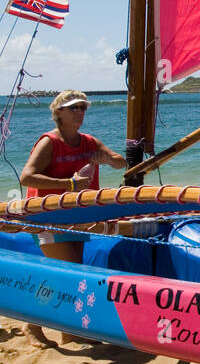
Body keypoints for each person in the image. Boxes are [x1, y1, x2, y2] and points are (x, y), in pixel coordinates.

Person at [19, 90, 125, 346]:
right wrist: (69, 184)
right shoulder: (50, 142)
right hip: (47, 217)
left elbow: (121, 162)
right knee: (68, 274)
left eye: (83, 108)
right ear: (59, 112)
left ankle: (69, 331)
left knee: (68, 273)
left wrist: (107, 159)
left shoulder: (88, 141)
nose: (80, 112)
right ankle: (33, 324)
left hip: (78, 217)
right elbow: (27, 177)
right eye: (74, 108)